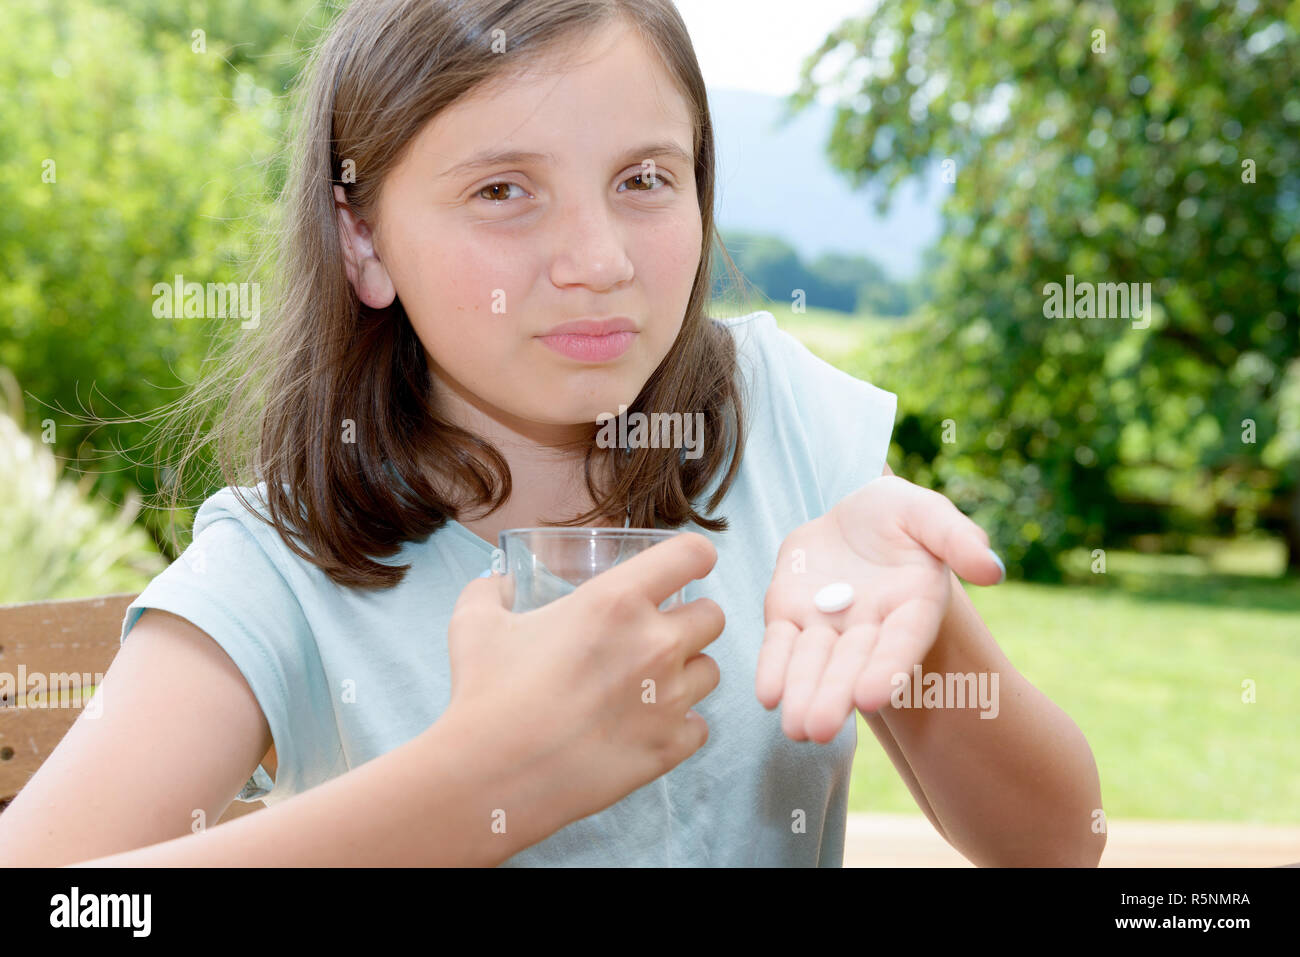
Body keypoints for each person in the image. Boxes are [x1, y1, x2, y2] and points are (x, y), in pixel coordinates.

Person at [0, 0, 1104, 867]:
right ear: (364, 242)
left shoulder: (785, 423)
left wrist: (926, 646)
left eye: (643, 179)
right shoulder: (277, 569)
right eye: (501, 191)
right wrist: (472, 786)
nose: (598, 258)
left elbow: (1059, 848)